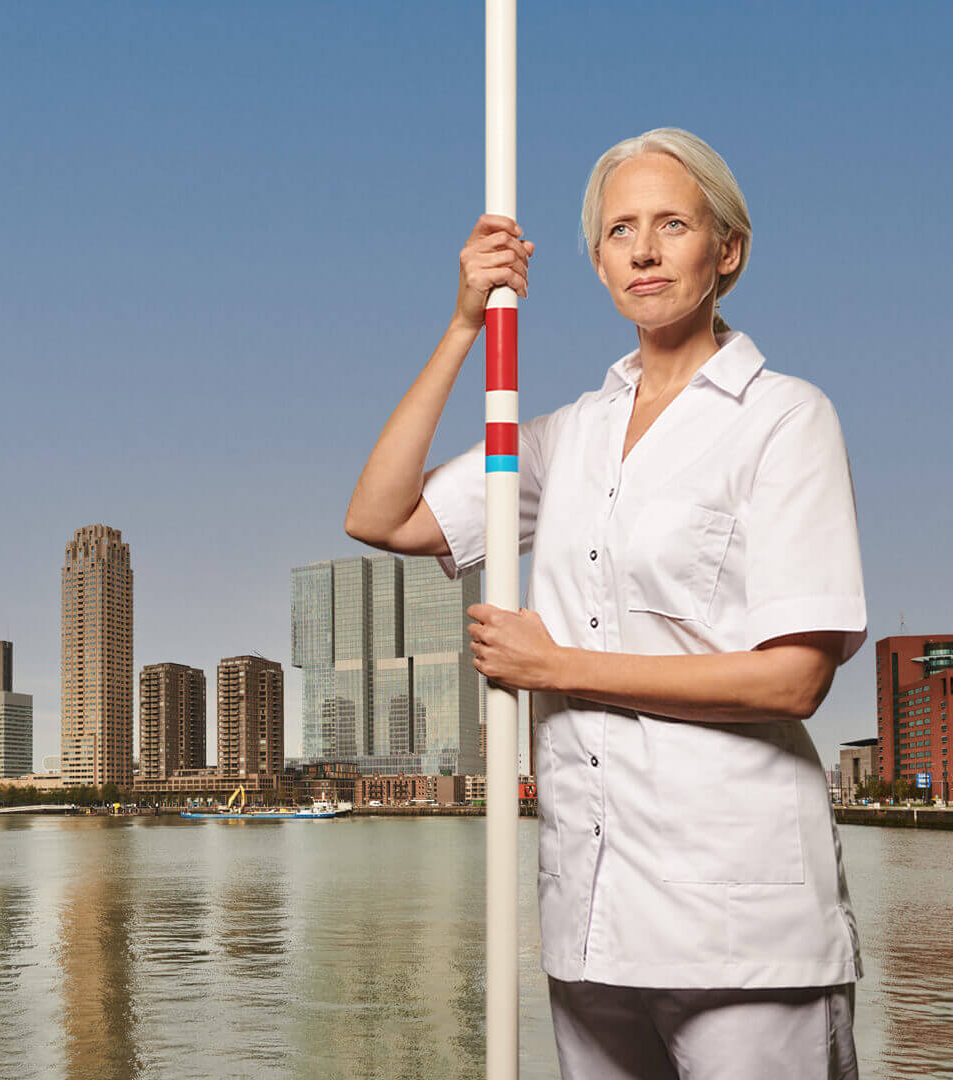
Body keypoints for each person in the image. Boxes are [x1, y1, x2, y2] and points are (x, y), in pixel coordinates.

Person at [344, 128, 864, 1079]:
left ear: (728, 250)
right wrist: (465, 321)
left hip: (743, 926)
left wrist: (559, 670)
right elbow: (382, 514)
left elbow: (796, 677)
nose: (645, 249)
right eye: (620, 229)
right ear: (594, 261)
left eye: (674, 223)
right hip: (590, 920)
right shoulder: (565, 439)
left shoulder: (786, 418)